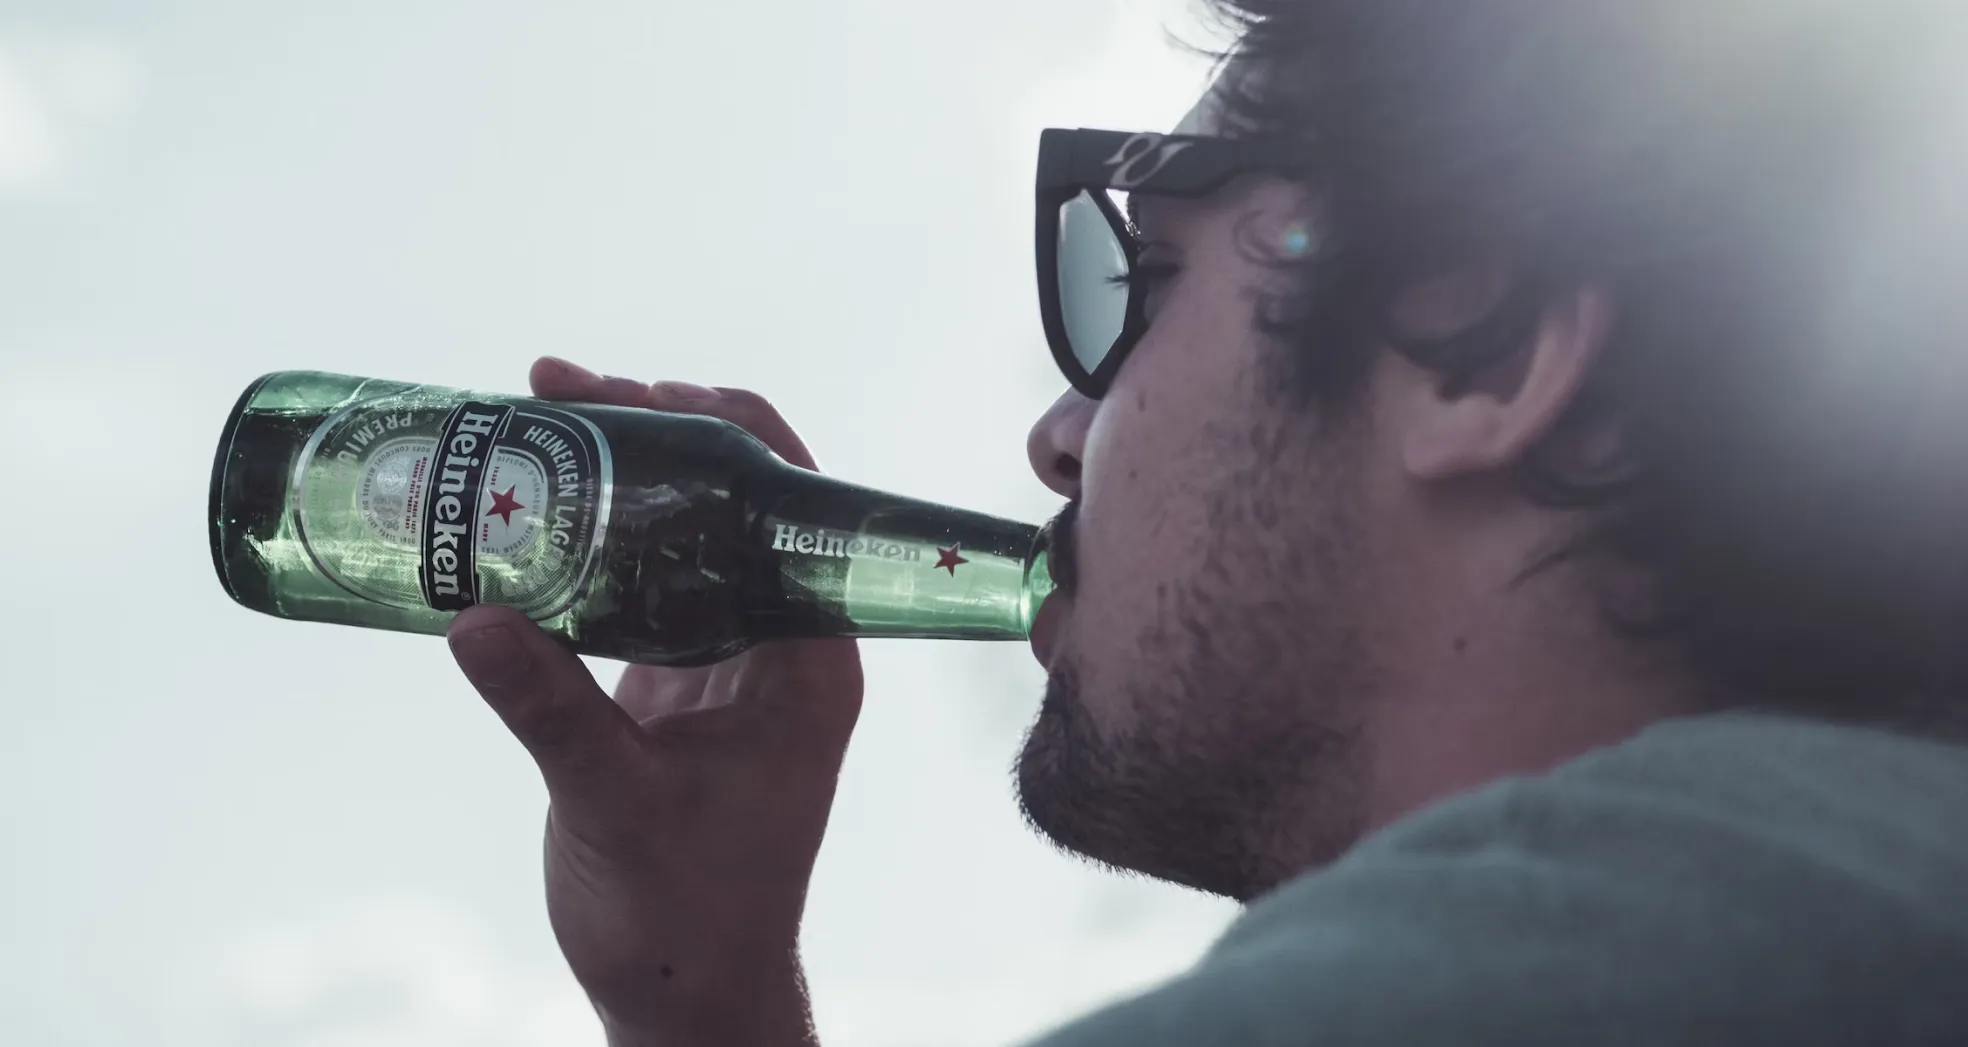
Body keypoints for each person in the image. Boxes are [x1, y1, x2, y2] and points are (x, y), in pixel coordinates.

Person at [445, 2, 1968, 1044]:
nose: (1057, 435)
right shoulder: (1832, 905)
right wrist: (706, 1000)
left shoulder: (1549, 977)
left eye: (1141, 285)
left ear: (1479, 349)